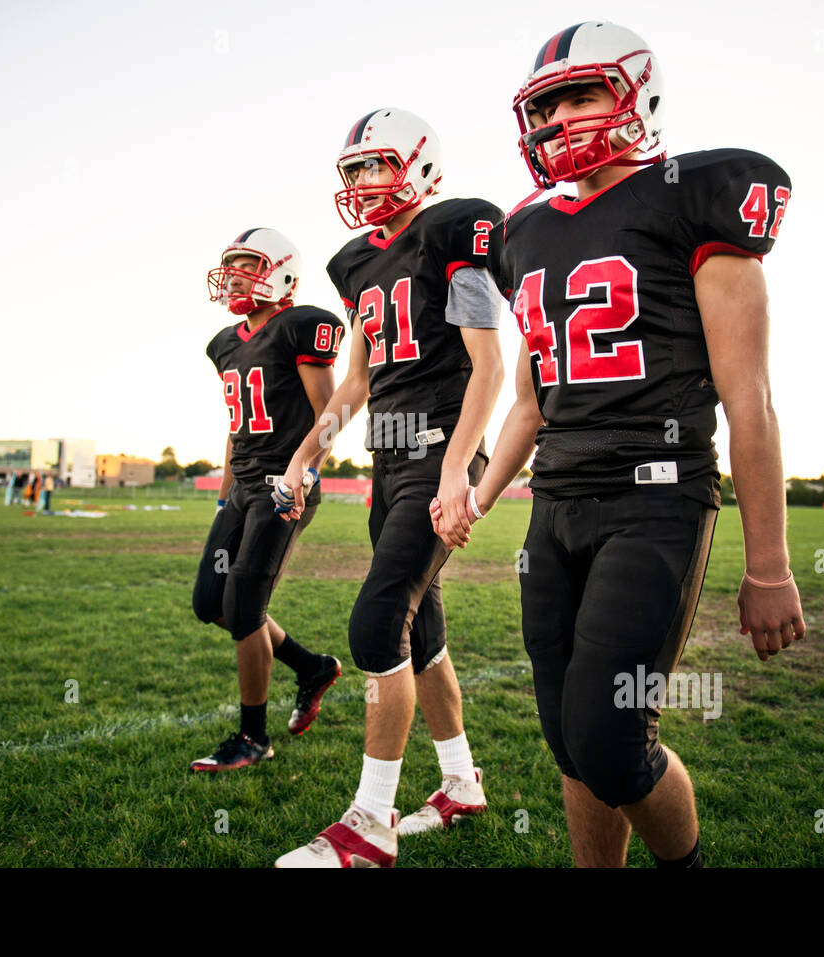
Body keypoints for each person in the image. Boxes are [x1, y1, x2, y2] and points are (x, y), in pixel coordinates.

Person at [449, 21, 806, 868]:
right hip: (558, 505)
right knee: (572, 742)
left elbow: (748, 397)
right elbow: (531, 400)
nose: (562, 119)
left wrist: (770, 565)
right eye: (548, 105)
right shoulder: (524, 230)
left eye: (582, 95)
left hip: (656, 498)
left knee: (612, 739)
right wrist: (480, 489)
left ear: (636, 94)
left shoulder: (694, 194)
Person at [274, 109, 506, 868]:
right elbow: (357, 383)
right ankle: (460, 782)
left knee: (377, 623)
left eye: (377, 166)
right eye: (354, 171)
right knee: (424, 637)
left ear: (421, 166)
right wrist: (306, 455)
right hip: (390, 462)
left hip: (444, 450)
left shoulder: (453, 232)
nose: (363, 183)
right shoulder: (354, 265)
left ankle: (370, 822)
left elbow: (490, 366)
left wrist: (454, 468)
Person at [189, 227, 345, 772]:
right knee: (211, 603)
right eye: (231, 265)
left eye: (249, 264)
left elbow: (333, 412)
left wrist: (303, 475)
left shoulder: (300, 326)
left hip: (284, 484)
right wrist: (224, 489)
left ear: (280, 272)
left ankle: (253, 738)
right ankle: (311, 667)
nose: (235, 275)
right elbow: (235, 426)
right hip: (242, 489)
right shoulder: (225, 343)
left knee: (243, 610)